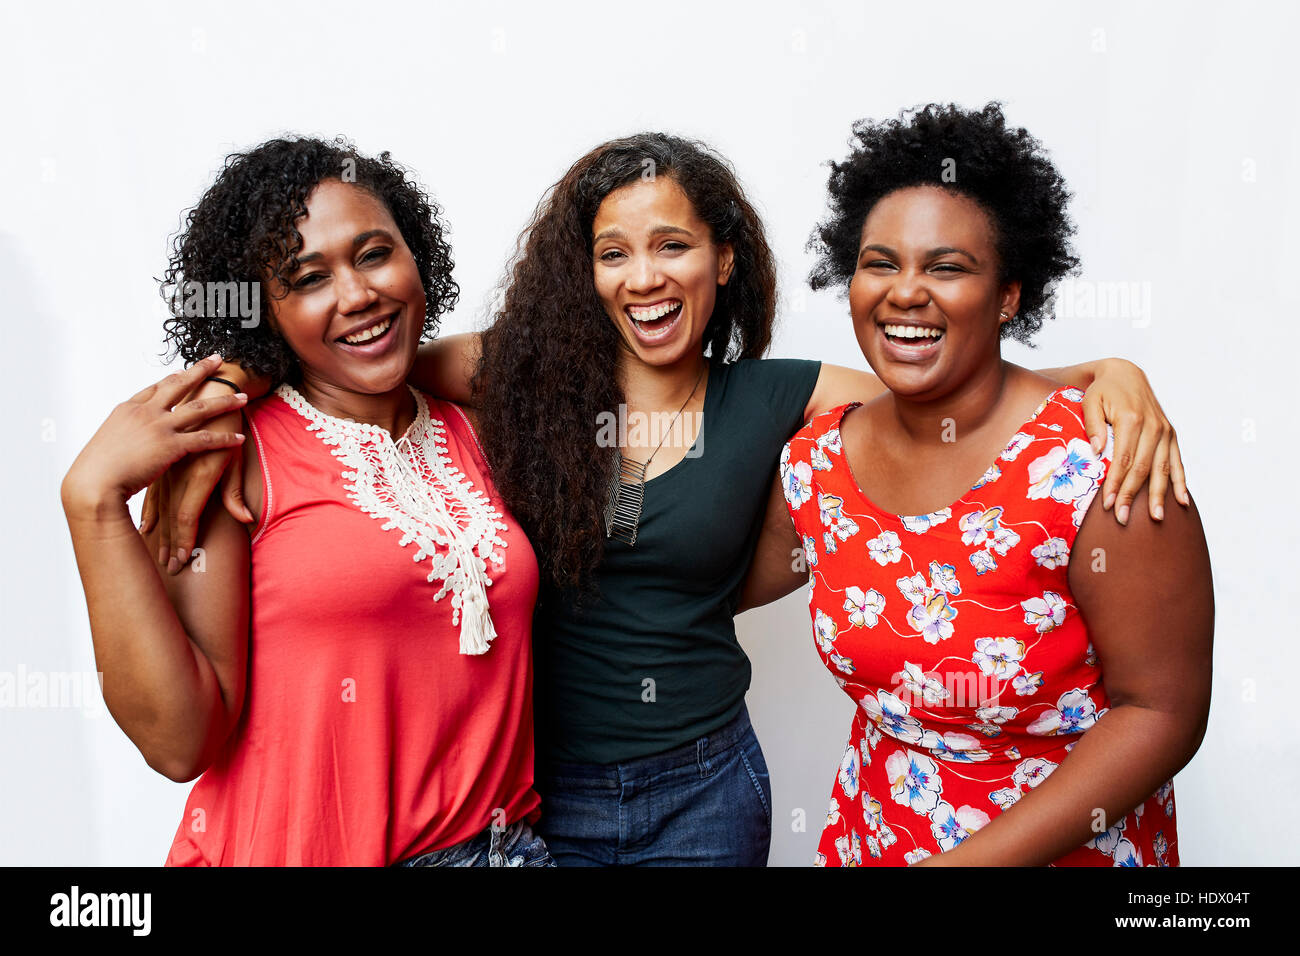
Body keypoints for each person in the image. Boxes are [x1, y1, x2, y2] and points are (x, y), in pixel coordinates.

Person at [146, 132, 1189, 867]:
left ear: (723, 258)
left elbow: (954, 391)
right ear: (585, 272)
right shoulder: (510, 377)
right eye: (613, 251)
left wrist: (1104, 374)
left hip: (705, 788)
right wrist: (225, 404)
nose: (644, 274)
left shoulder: (780, 396)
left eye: (673, 244)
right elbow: (350, 353)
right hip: (537, 804)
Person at [61, 137, 551, 866]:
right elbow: (178, 741)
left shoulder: (469, 426)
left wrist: (252, 376)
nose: (357, 294)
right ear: (266, 313)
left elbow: (556, 351)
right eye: (307, 278)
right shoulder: (230, 460)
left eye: (375, 253)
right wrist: (92, 503)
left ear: (416, 256)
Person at [758, 103, 1212, 865]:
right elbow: (695, 583)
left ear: (1009, 295)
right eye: (880, 263)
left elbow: (1162, 713)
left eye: (946, 267)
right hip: (873, 843)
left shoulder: (1101, 460)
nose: (906, 291)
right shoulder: (816, 466)